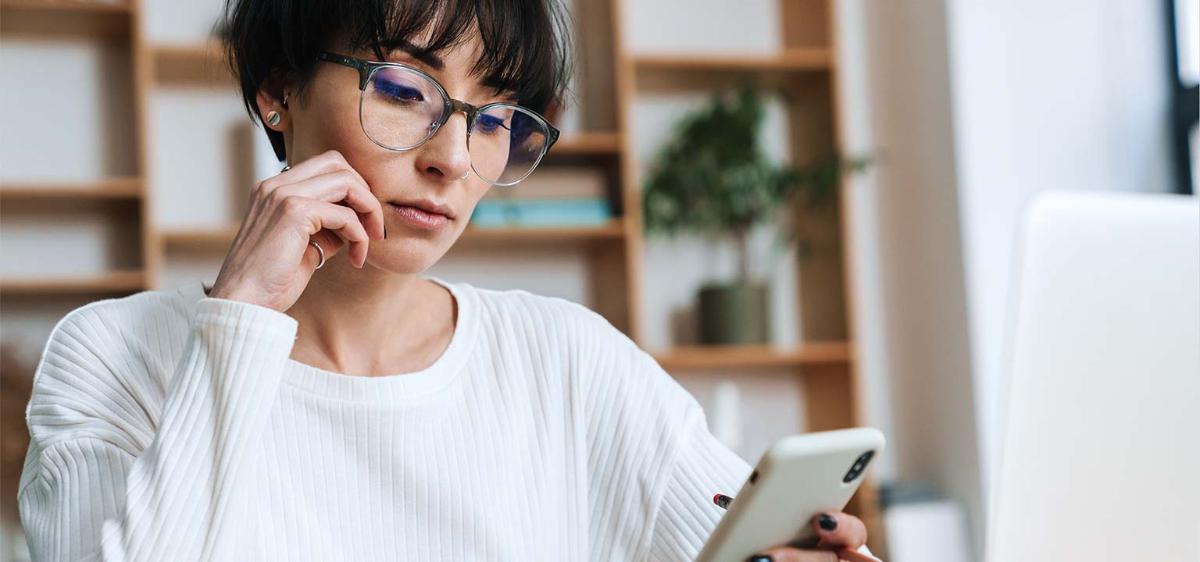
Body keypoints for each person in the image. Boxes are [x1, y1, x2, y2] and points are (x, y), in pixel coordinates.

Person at [17, 0, 877, 560]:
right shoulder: (111, 357)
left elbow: (742, 538)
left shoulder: (567, 361)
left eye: (495, 118)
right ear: (278, 92)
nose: (454, 158)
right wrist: (242, 319)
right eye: (401, 87)